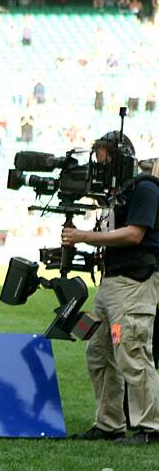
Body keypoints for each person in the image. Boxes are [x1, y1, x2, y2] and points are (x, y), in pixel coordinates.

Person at [61, 132, 159, 443]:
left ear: (119, 158)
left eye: (102, 155)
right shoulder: (117, 195)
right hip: (112, 285)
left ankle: (151, 428)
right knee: (99, 350)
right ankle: (109, 423)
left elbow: (134, 235)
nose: (98, 163)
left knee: (132, 351)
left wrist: (83, 237)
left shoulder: (145, 188)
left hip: (133, 284)